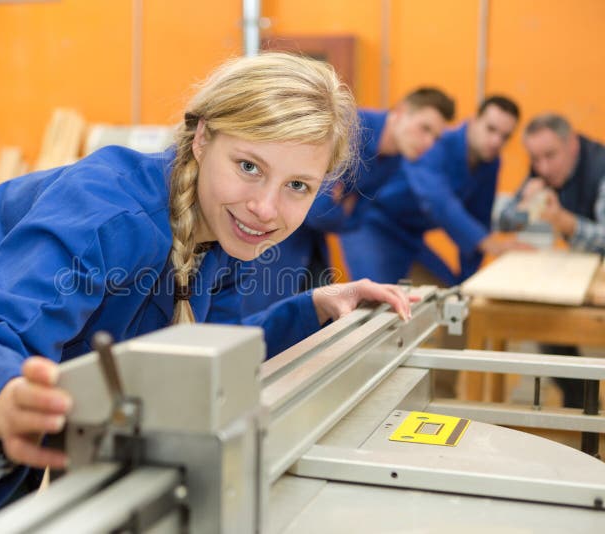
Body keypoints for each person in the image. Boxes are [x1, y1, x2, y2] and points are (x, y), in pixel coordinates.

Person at [0, 53, 416, 532]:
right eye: (250, 166)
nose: (265, 208)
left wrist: (315, 309)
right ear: (201, 139)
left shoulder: (221, 233)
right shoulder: (108, 212)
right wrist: (1, 392)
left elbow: (215, 351)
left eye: (299, 187)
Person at [240, 87, 455, 315]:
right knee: (262, 327)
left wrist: (339, 204)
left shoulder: (394, 159)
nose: (428, 143)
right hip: (275, 237)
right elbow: (318, 210)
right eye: (425, 129)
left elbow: (357, 217)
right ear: (400, 112)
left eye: (436, 137)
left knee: (313, 325)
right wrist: (341, 206)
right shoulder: (349, 128)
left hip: (311, 245)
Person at [339, 95, 528, 286]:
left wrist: (469, 282)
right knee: (377, 302)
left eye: (505, 137)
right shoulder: (437, 142)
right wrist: (488, 242)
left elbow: (479, 218)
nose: (496, 141)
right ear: (474, 121)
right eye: (491, 129)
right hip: (372, 225)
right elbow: (437, 199)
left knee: (450, 293)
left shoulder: (490, 163)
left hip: (411, 236)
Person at [499, 113, 605, 408]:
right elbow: (506, 220)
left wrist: (564, 221)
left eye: (550, 156)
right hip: (584, 274)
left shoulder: (601, 166)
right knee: (548, 324)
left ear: (572, 145)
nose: (542, 167)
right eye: (535, 158)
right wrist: (524, 206)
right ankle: (581, 401)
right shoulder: (541, 171)